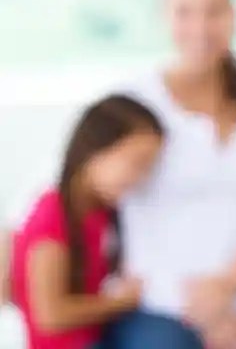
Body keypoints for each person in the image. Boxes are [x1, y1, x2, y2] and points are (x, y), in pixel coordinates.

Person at [101, 0, 236, 349]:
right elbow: (74, 190)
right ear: (164, 17)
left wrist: (228, 289)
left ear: (233, 14)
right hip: (155, 310)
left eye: (214, 11)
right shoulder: (131, 104)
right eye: (184, 13)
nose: (201, 28)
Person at [9, 95, 163, 349]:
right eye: (136, 164)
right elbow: (50, 316)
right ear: (95, 150)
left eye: (148, 168)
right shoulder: (52, 215)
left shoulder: (100, 211)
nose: (141, 178)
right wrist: (124, 301)